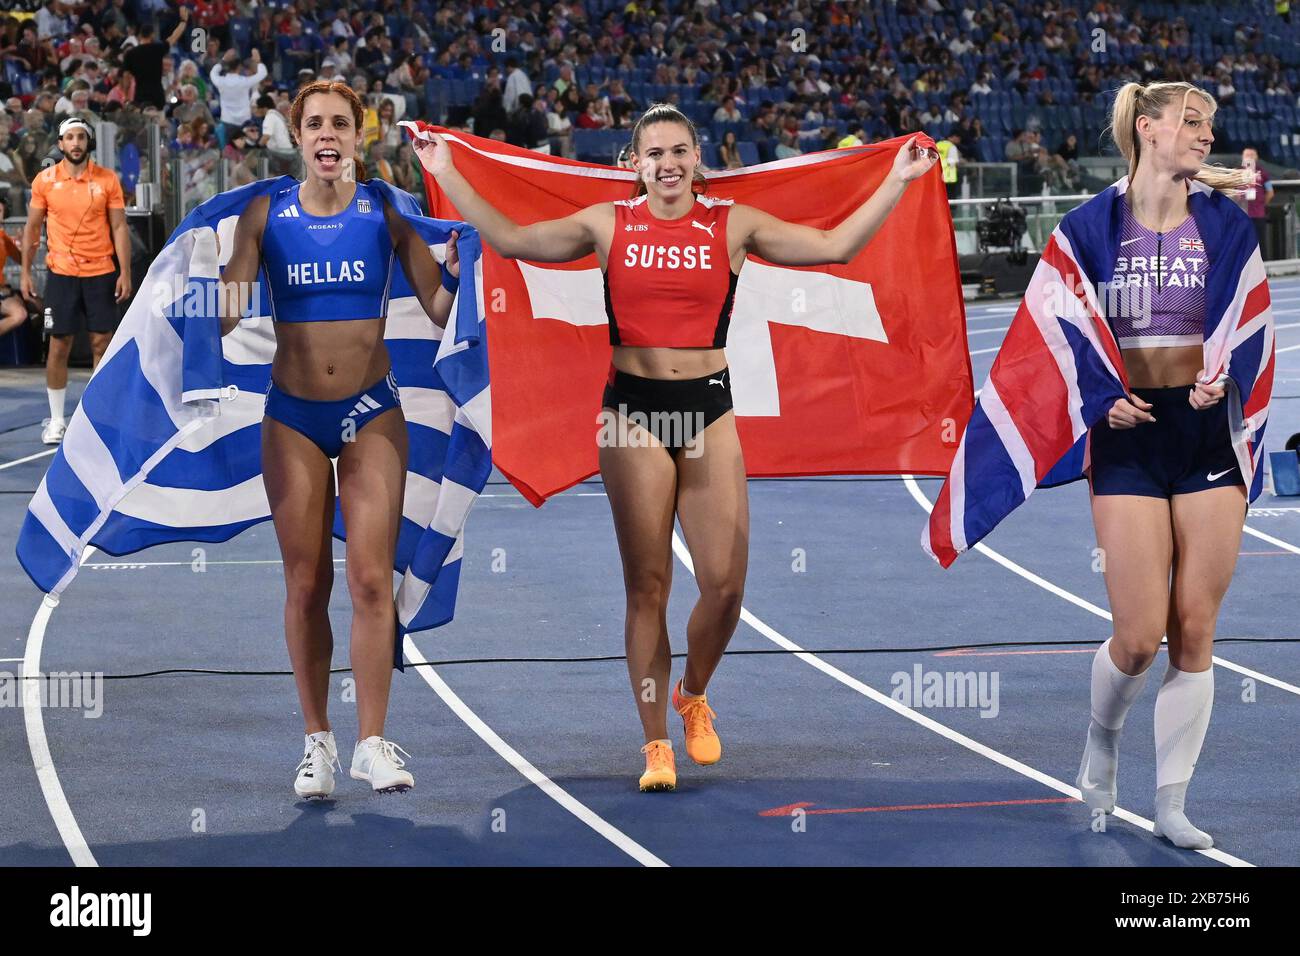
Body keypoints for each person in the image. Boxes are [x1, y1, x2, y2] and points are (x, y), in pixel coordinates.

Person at [412, 103, 936, 792]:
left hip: (708, 409)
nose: (667, 163)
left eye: (678, 151)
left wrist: (897, 179)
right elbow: (510, 238)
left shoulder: (733, 225)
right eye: (653, 153)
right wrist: (447, 169)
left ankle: (693, 693)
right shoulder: (607, 223)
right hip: (631, 413)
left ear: (697, 157)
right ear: (634, 163)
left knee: (724, 586)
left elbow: (835, 246)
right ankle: (656, 742)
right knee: (648, 586)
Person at [218, 81, 460, 799]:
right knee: (306, 583)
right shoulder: (264, 213)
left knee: (370, 579)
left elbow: (440, 307)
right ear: (298, 135)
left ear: (361, 137)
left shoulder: (387, 210)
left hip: (372, 412)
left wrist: (462, 277)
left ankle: (373, 744)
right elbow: (228, 313)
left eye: (341, 125)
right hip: (292, 416)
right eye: (315, 123)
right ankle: (317, 743)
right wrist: (212, 292)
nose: (329, 135)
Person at [1075, 81, 1260, 850]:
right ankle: (1102, 738)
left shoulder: (1224, 224)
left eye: (1211, 124)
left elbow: (1249, 325)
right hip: (1127, 439)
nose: (1205, 134)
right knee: (1139, 636)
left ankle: (1172, 802)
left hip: (1205, 436)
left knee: (1194, 627)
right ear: (1147, 129)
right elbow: (1059, 327)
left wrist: (1228, 374)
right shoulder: (1090, 226)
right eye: (1191, 121)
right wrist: (1097, 397)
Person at [19, 118, 131, 445]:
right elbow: (31, 229)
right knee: (58, 345)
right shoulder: (44, 181)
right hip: (62, 273)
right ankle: (56, 421)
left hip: (101, 271)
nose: (76, 142)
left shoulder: (108, 180)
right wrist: (25, 272)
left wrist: (124, 270)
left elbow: (120, 228)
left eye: (81, 136)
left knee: (102, 344)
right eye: (70, 137)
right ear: (61, 143)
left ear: (88, 142)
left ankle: (96, 418)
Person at [123, 13, 190, 110]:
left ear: (140, 35)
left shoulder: (130, 54)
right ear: (152, 35)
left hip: (140, 95)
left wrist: (125, 96)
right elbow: (173, 37)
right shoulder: (157, 49)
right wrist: (183, 22)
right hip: (157, 95)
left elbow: (126, 77)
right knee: (158, 122)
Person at [210, 47, 268, 147]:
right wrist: (258, 61)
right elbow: (263, 73)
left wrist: (223, 59)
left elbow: (213, 73)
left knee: (230, 149)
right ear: (239, 68)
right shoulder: (244, 82)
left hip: (227, 120)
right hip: (244, 120)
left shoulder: (221, 81)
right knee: (244, 149)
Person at [1239, 147, 1274, 258]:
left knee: (1260, 241)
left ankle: (1262, 265)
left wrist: (1262, 205)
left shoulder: (1263, 173)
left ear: (1257, 157)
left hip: (1258, 214)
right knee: (1242, 240)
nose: (1249, 157)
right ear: (1243, 157)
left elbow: (1270, 192)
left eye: (1251, 155)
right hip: (1241, 214)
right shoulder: (1237, 172)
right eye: (1247, 155)